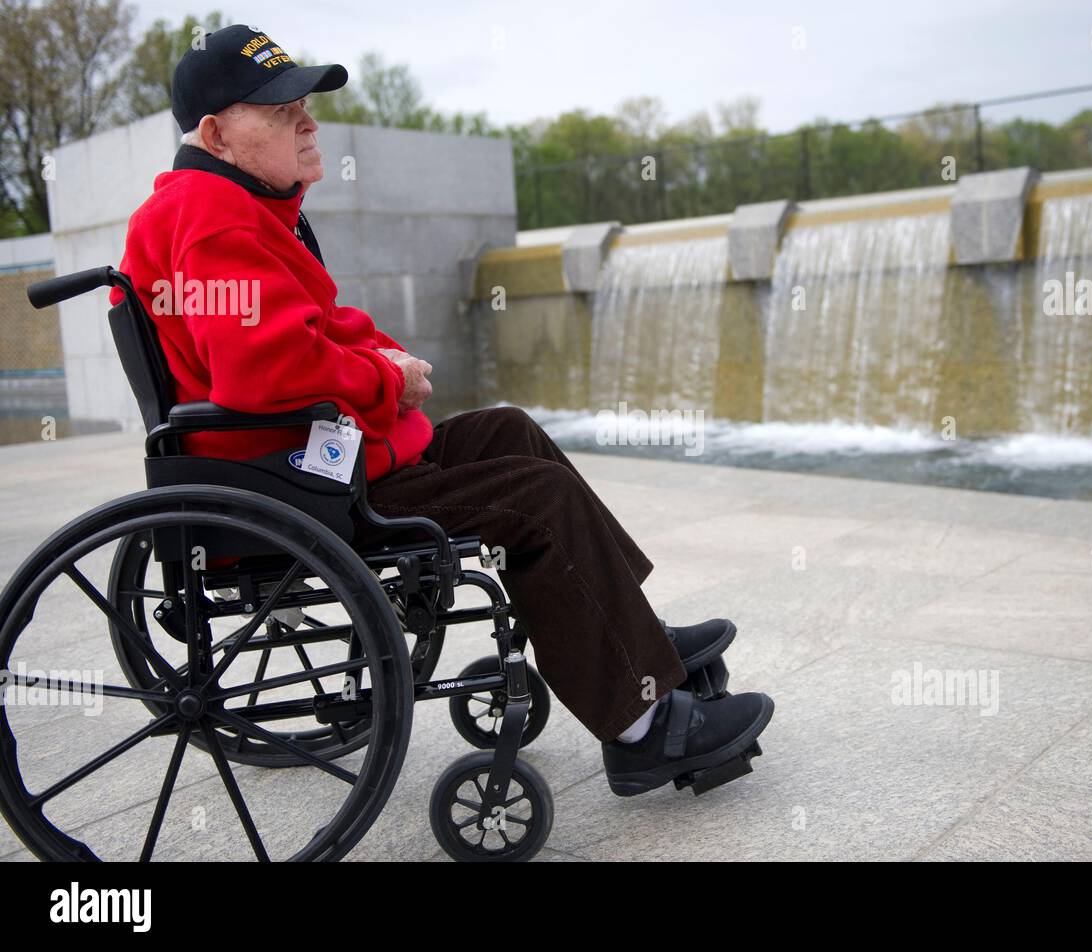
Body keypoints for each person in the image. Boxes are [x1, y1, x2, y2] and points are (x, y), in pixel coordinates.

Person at [110, 24, 773, 796]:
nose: (308, 121)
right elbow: (263, 367)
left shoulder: (231, 204)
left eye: (305, 105)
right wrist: (383, 382)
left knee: (508, 428)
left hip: (304, 457)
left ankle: (634, 639)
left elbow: (315, 325)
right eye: (282, 108)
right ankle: (642, 727)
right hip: (295, 479)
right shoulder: (213, 215)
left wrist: (382, 359)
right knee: (536, 500)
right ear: (218, 134)